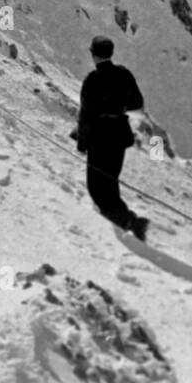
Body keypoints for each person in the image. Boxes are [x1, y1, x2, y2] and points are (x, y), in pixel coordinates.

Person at [72, 36, 148, 240]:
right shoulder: (124, 74)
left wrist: (81, 143)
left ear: (93, 54)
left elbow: (86, 115)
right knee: (111, 181)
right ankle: (126, 220)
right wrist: (118, 107)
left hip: (99, 137)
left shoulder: (92, 80)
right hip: (119, 134)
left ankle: (127, 222)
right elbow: (137, 103)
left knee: (96, 187)